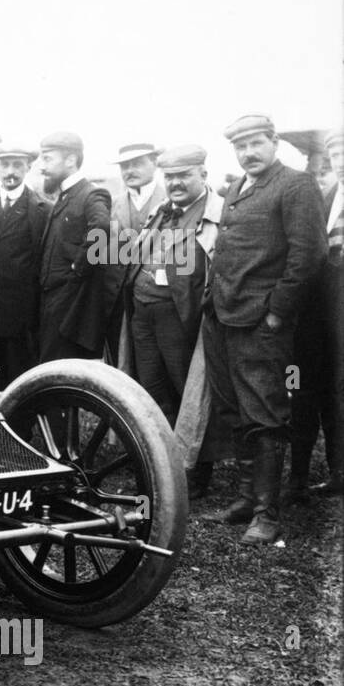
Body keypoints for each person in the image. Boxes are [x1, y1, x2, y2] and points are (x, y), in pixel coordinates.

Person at [202, 114, 327, 545]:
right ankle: (244, 498)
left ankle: (267, 514)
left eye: (256, 143)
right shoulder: (238, 186)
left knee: (265, 414)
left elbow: (308, 255)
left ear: (275, 142)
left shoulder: (296, 185)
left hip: (260, 321)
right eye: (240, 147)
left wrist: (277, 313)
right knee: (233, 410)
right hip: (221, 316)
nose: (248, 153)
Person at [117, 144, 225, 495]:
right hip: (143, 313)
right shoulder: (162, 212)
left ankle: (194, 470)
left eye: (184, 175)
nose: (176, 183)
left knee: (188, 389)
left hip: (181, 316)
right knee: (150, 389)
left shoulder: (213, 214)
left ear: (203, 175)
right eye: (171, 177)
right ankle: (158, 465)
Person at [287, 127, 343, 499]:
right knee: (305, 388)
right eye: (337, 156)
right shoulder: (328, 194)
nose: (341, 162)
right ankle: (304, 477)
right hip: (319, 310)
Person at [0, 143, 49, 392]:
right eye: (4, 165)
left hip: (19, 316)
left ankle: (18, 426)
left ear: (28, 167)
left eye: (17, 165)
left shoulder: (41, 209)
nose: (10, 172)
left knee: (17, 376)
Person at [35, 131, 112, 361]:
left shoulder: (91, 194)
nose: (42, 166)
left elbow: (102, 228)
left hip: (71, 306)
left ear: (70, 160)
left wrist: (77, 271)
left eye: (48, 159)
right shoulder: (65, 195)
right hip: (53, 301)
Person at [106, 142, 166, 363]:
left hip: (160, 302)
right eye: (125, 166)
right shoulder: (113, 204)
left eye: (137, 164)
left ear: (155, 163)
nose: (129, 171)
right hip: (122, 302)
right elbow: (106, 256)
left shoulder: (171, 199)